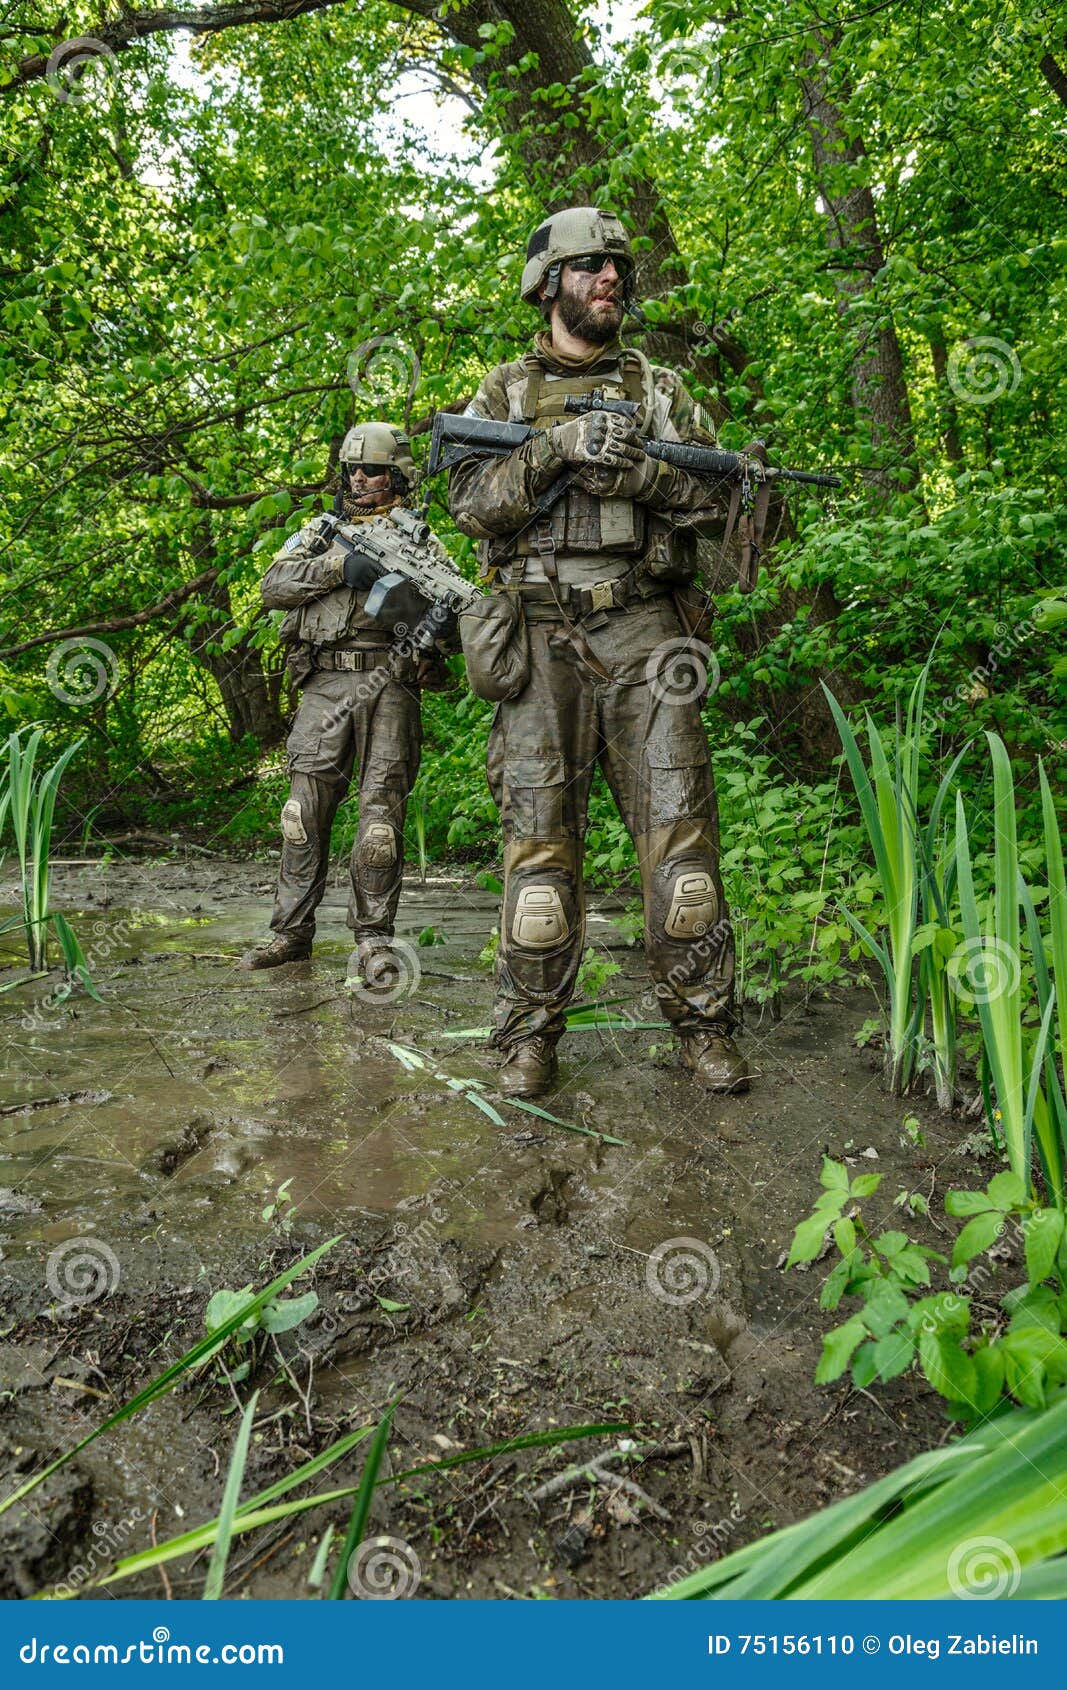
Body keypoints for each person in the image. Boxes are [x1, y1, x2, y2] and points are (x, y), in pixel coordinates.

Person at [448, 206, 750, 1100]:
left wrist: (644, 476)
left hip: (646, 632)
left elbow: (719, 500)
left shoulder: (659, 391)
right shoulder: (501, 393)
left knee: (682, 847)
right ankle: (529, 1038)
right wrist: (554, 452)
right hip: (538, 637)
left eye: (617, 267)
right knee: (539, 855)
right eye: (588, 269)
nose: (610, 280)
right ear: (547, 286)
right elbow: (470, 506)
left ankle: (702, 1026)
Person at [241, 422, 453, 986]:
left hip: (390, 683)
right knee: (302, 812)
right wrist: (339, 567)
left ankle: (373, 940)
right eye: (353, 469)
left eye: (374, 469)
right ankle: (290, 931)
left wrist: (429, 627)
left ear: (398, 476)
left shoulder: (421, 540)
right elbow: (272, 585)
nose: (360, 478)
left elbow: (452, 614)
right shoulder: (321, 531)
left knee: (381, 817)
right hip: (325, 684)